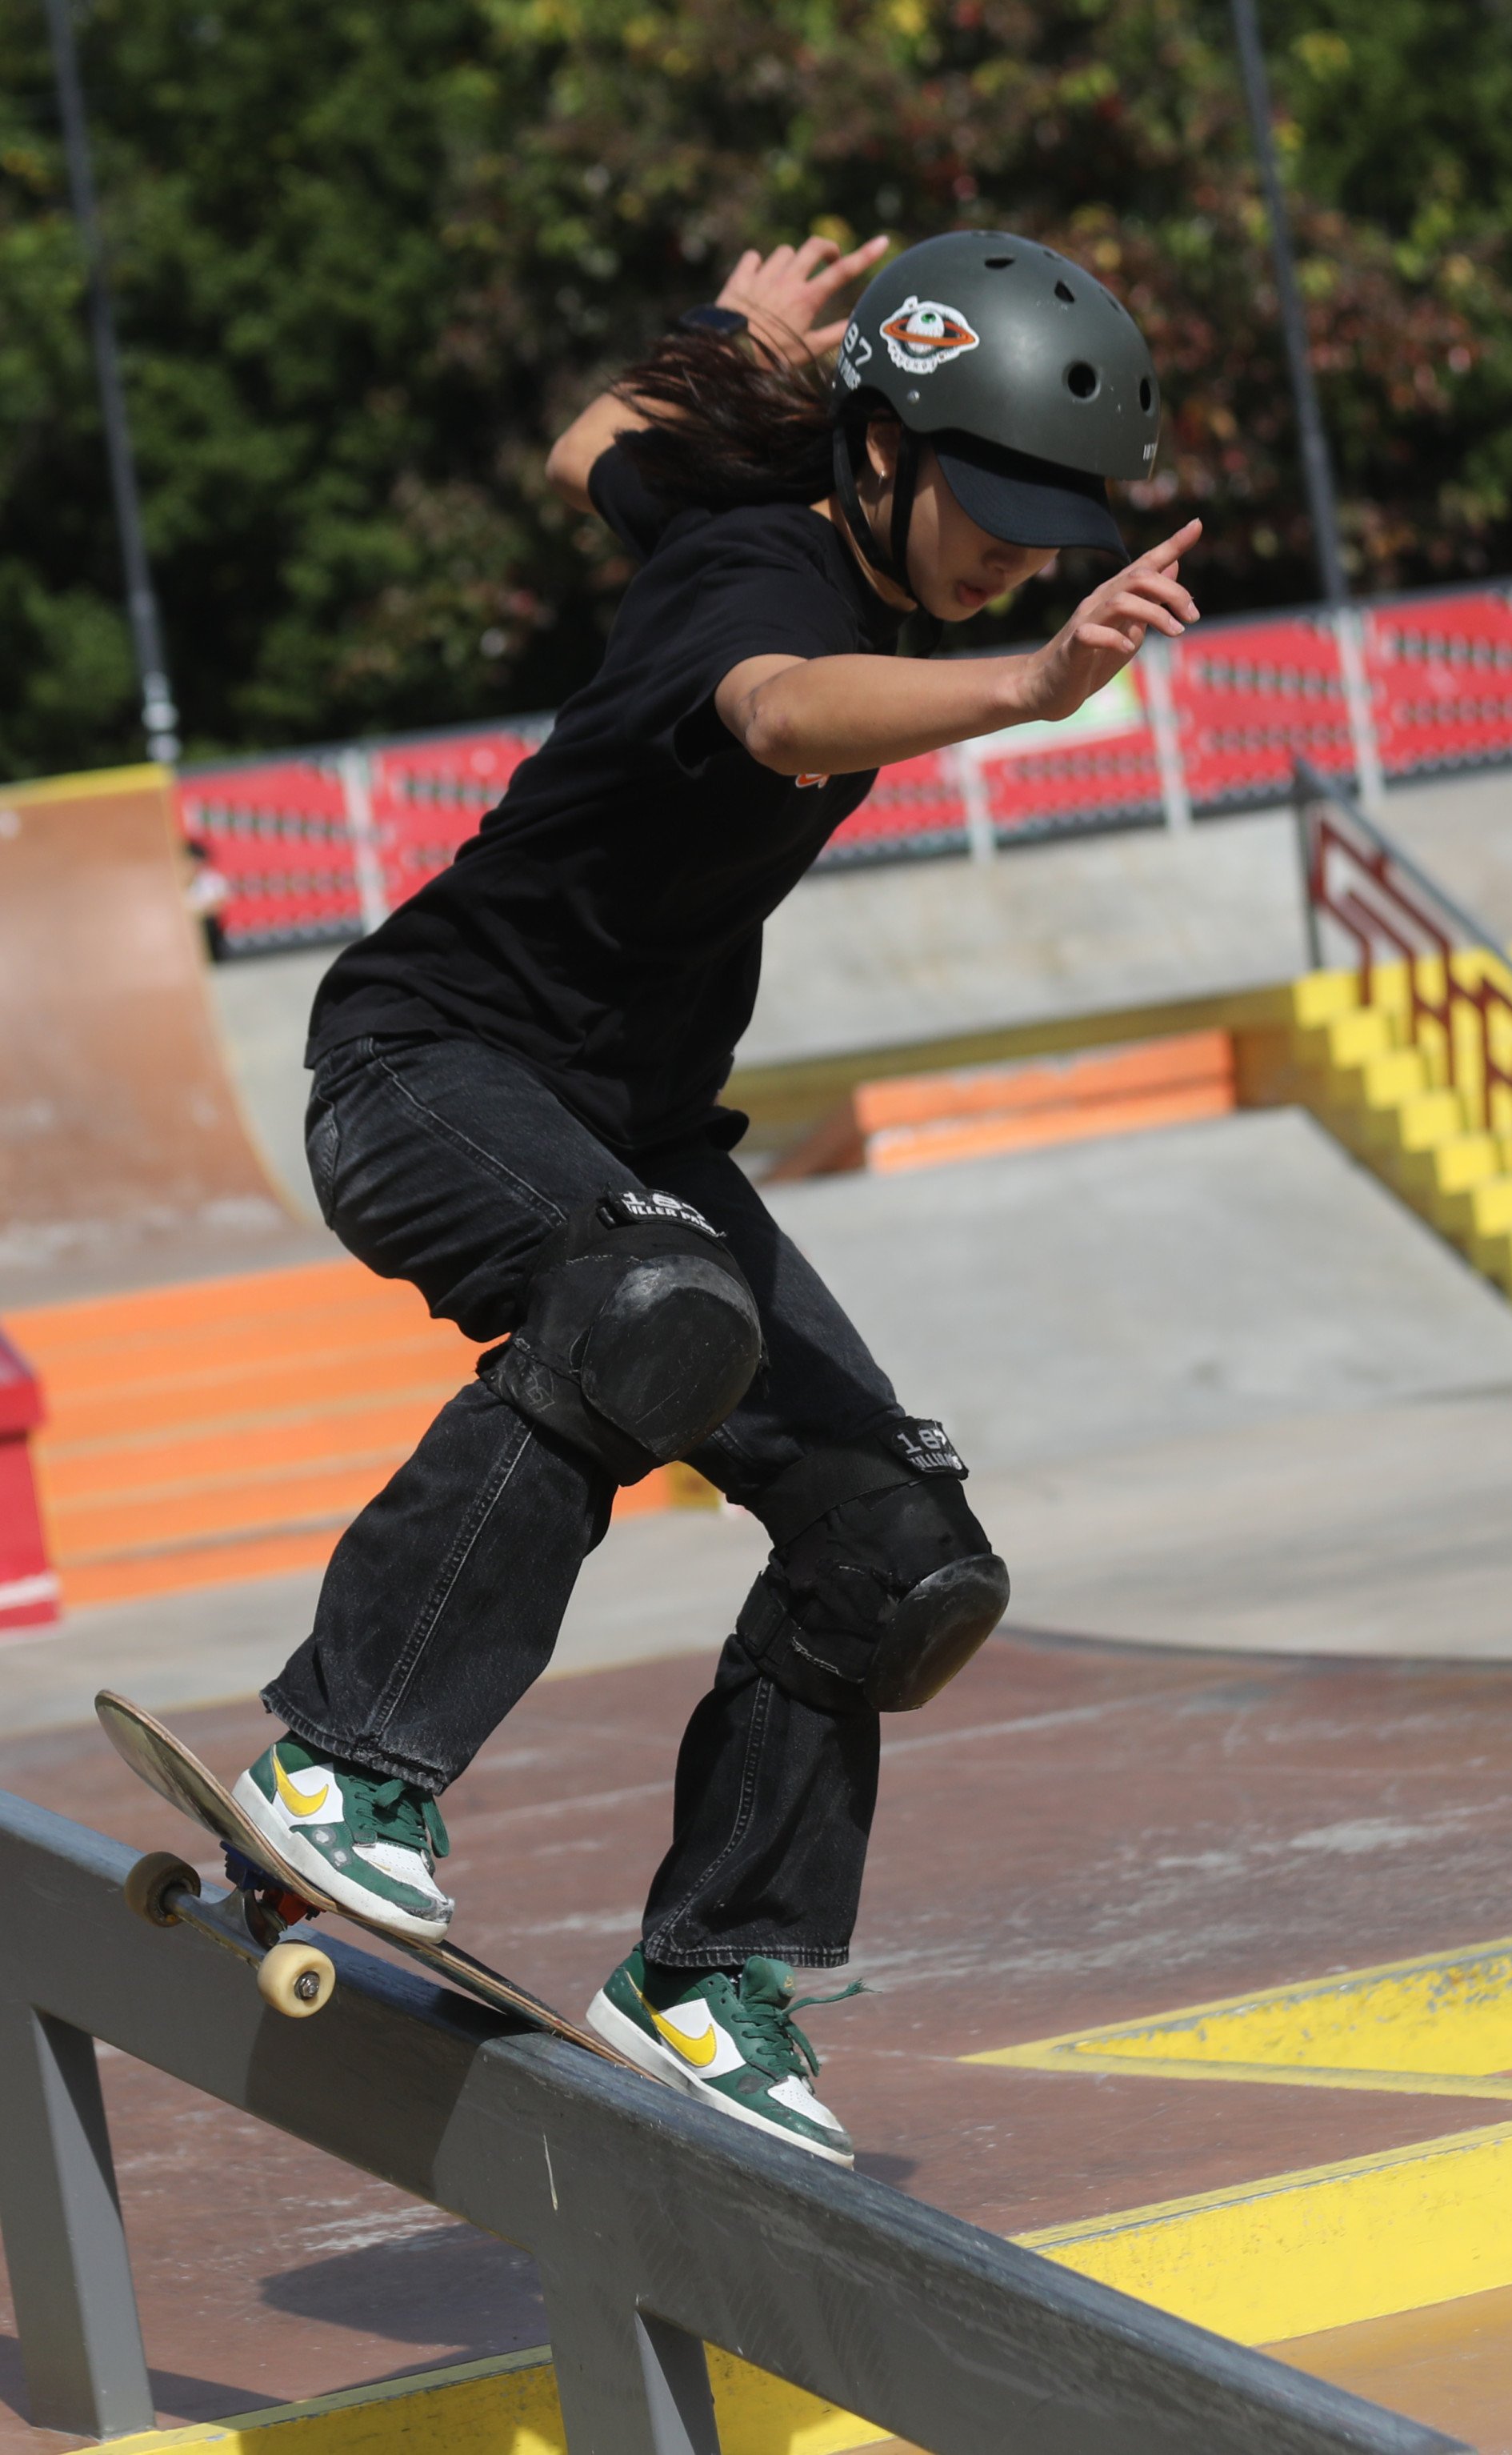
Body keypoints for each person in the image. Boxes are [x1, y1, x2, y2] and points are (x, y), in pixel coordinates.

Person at [230, 228, 1202, 2168]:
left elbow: (590, 440)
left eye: (1047, 527)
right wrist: (1019, 688)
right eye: (988, 513)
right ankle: (342, 1762)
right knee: (647, 1313)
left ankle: (707, 1974)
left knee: (899, 1553)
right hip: (429, 1069)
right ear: (870, 457)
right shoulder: (753, 564)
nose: (1018, 558)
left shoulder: (790, 491)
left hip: (637, 1127)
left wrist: (709, 346)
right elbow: (769, 710)